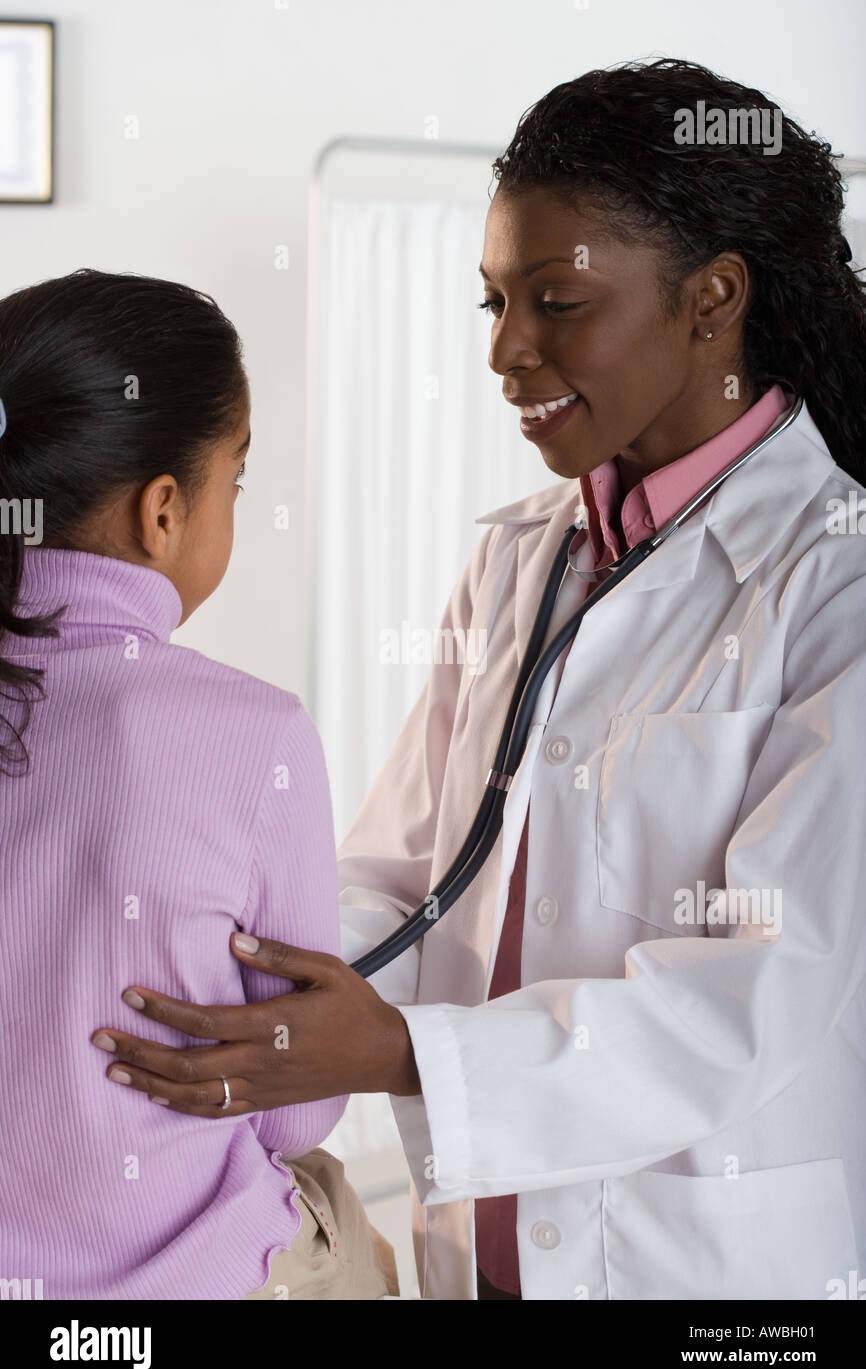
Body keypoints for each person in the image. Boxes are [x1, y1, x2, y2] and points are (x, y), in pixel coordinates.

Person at [92, 59, 866, 1300]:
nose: (508, 350)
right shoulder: (523, 558)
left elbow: (755, 989)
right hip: (480, 1255)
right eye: (493, 302)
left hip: (700, 1273)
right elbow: (404, 870)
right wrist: (228, 988)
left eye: (555, 301)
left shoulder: (836, 584)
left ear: (712, 297)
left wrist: (397, 1051)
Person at [0, 269, 398, 1300]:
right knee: (358, 1231)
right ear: (164, 510)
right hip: (185, 1286)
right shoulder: (250, 733)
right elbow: (287, 1105)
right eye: (237, 480)